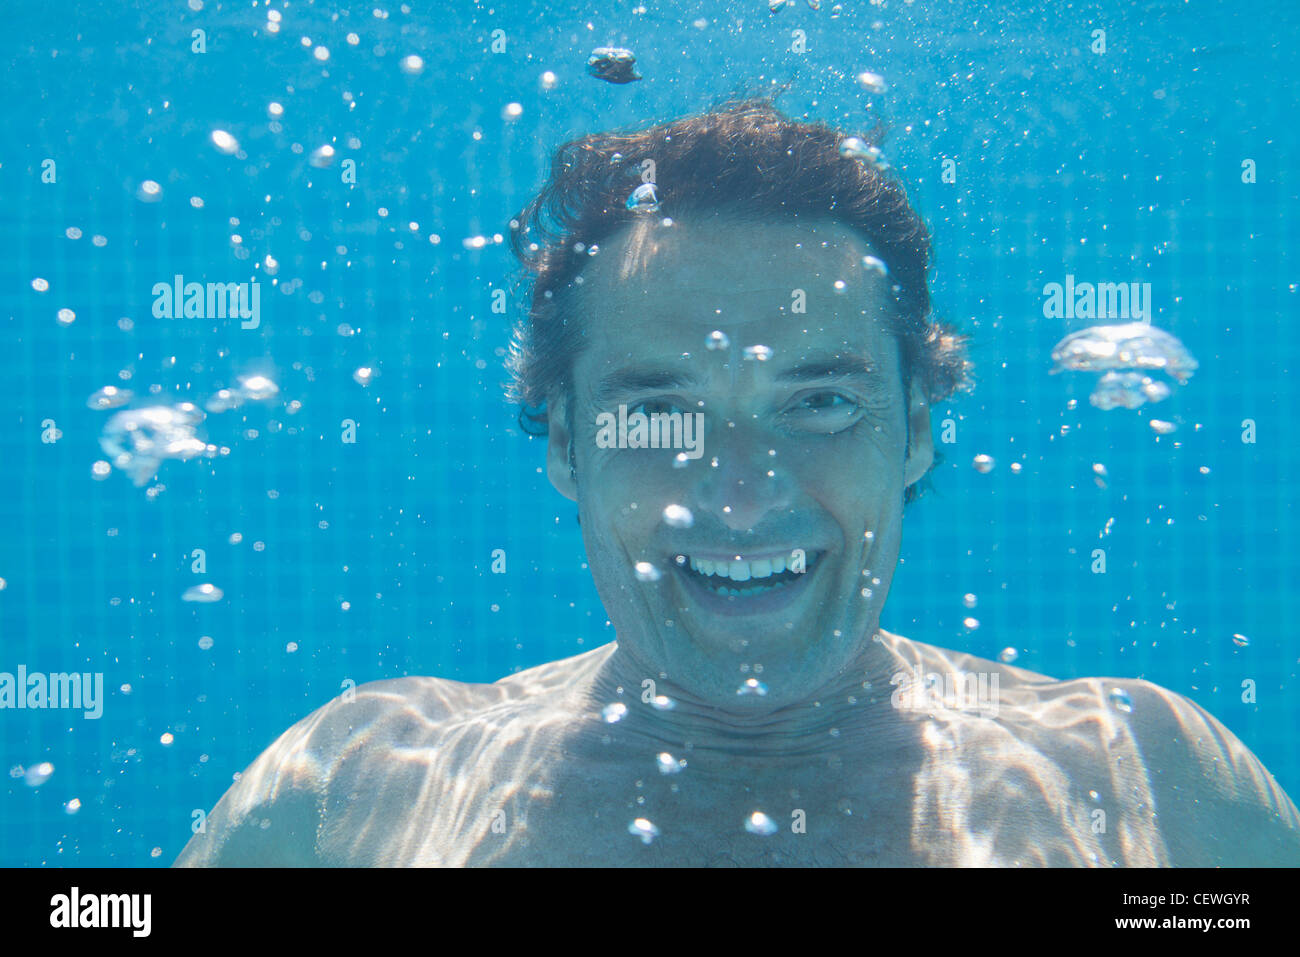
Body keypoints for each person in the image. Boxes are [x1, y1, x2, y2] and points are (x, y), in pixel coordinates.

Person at [175, 99, 1300, 866]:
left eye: (818, 402)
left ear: (915, 430)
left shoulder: (1154, 789)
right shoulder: (348, 801)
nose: (743, 493)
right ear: (565, 444)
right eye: (659, 411)